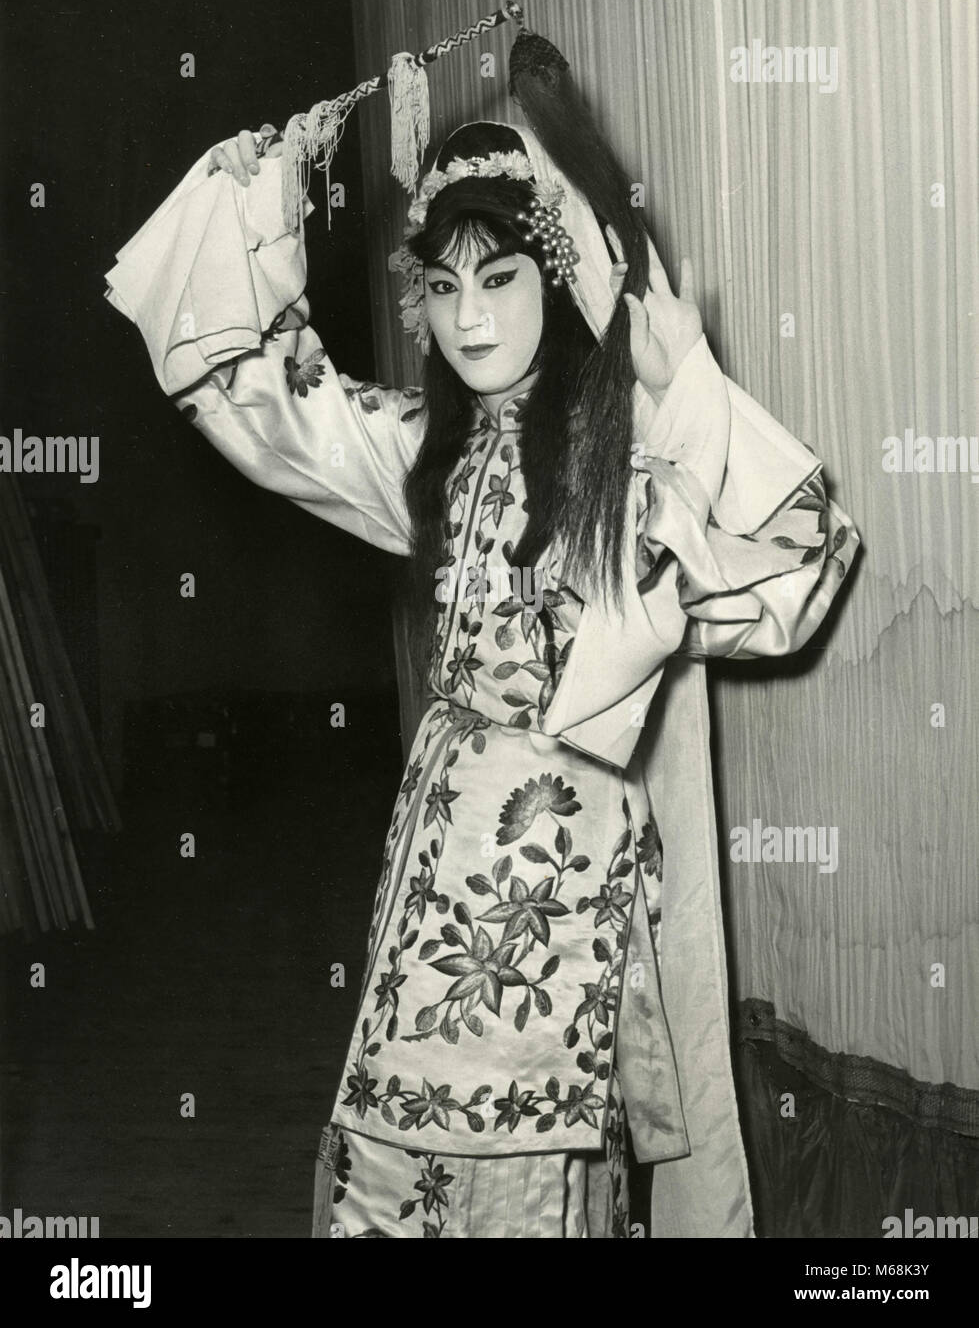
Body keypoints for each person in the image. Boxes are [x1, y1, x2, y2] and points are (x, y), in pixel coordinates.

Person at [105, 81, 858, 1239]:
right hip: (430, 887)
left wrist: (684, 385)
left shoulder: (630, 484)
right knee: (389, 1176)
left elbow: (802, 568)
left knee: (533, 1192)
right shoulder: (420, 455)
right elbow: (242, 390)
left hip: (564, 896)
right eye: (444, 286)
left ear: (555, 285)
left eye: (500, 280)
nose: (469, 320)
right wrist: (264, 204)